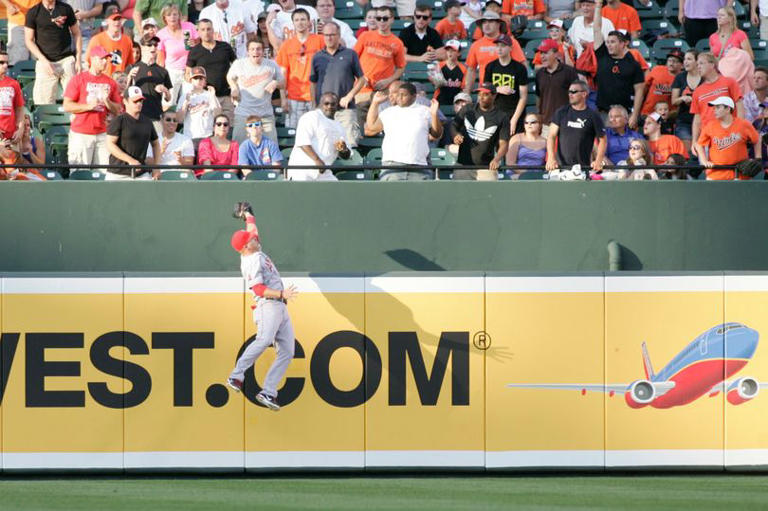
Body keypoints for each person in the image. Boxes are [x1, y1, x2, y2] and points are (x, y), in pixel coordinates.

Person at [226, 202, 299, 412]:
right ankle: (236, 375)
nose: (255, 238)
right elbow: (258, 289)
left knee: (287, 351)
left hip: (280, 307)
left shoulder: (253, 249)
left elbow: (252, 230)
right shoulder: (251, 262)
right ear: (246, 247)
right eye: (251, 240)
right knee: (264, 340)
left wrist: (248, 215)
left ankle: (268, 391)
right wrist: (281, 294)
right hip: (268, 304)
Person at [365, 82, 442, 180]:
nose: (400, 97)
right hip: (392, 165)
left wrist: (434, 115)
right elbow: (371, 126)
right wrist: (375, 103)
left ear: (414, 96)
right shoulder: (388, 112)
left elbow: (437, 134)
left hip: (419, 165)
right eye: (398, 94)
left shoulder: (425, 111)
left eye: (404, 95)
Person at [63, 46, 123, 169]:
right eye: (101, 58)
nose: (105, 61)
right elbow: (67, 105)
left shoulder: (110, 82)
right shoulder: (78, 79)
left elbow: (118, 109)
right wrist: (88, 106)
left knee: (103, 173)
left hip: (102, 133)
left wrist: (107, 101)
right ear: (92, 59)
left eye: (106, 59)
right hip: (81, 133)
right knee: (80, 173)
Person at [310, 22, 366, 147]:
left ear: (339, 35)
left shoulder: (350, 54)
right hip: (323, 110)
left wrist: (349, 96)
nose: (329, 38)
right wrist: (314, 104)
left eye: (332, 35)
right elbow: (313, 82)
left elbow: (362, 79)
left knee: (349, 146)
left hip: (345, 110)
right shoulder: (317, 57)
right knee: (323, 146)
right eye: (326, 35)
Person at [593, 1, 644, 128]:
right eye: (608, 42)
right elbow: (596, 29)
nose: (609, 45)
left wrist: (635, 115)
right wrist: (598, 6)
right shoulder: (602, 56)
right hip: (603, 113)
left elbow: (639, 90)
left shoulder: (633, 64)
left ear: (622, 44)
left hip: (624, 113)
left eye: (613, 42)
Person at [354, 6, 406, 127]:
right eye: (379, 18)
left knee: (381, 126)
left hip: (383, 91)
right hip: (362, 89)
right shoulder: (365, 36)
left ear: (392, 19)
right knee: (360, 127)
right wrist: (361, 77)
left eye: (385, 18)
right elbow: (353, 60)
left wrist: (388, 80)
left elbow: (401, 67)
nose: (382, 21)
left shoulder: (397, 42)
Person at [24, 0, 82, 105]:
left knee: (75, 99)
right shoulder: (33, 12)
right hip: (45, 61)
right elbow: (29, 40)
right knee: (42, 103)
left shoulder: (65, 8)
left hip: (66, 59)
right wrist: (44, 60)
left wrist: (78, 59)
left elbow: (77, 33)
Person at [276, 9, 325, 129]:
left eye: (303, 19)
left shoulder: (320, 40)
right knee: (294, 132)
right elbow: (282, 73)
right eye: (296, 20)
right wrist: (283, 98)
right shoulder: (286, 45)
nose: (300, 22)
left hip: (316, 95)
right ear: (293, 23)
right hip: (294, 97)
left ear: (309, 22)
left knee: (318, 130)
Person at [227, 39, 282, 143]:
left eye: (258, 49)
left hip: (265, 115)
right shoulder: (239, 64)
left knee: (271, 146)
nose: (255, 52)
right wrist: (234, 87)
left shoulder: (271, 65)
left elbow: (283, 82)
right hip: (244, 113)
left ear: (263, 51)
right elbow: (229, 77)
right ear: (248, 51)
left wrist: (276, 83)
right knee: (238, 147)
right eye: (252, 49)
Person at [545, 80, 607, 173]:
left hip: (583, 168)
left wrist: (598, 160)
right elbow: (551, 136)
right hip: (560, 167)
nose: (570, 94)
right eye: (569, 92)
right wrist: (551, 158)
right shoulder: (561, 112)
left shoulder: (593, 115)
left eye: (574, 92)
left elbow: (603, 140)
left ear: (584, 94)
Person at [450, 83, 509, 180]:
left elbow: (504, 143)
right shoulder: (468, 109)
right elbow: (454, 125)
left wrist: (497, 159)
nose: (481, 97)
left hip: (487, 167)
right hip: (463, 165)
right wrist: (455, 135)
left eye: (485, 94)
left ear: (494, 95)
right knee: (459, 190)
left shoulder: (501, 116)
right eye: (479, 94)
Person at [690, 52, 743, 159]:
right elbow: (697, 119)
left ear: (712, 65)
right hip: (708, 138)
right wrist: (694, 141)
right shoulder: (697, 91)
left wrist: (740, 128)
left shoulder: (729, 82)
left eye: (701, 63)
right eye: (697, 65)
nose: (698, 67)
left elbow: (739, 106)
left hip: (729, 136)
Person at [695, 96, 762, 180]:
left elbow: (757, 139)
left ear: (728, 109)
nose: (714, 110)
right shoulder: (710, 125)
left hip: (739, 174)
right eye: (714, 108)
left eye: (718, 107)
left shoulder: (743, 124)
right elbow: (699, 145)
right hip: (716, 173)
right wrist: (704, 161)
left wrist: (758, 158)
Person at [287, 92, 350, 180]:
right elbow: (302, 142)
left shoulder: (339, 127)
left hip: (324, 170)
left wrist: (344, 149)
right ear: (320, 104)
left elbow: (347, 156)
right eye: (326, 103)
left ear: (337, 105)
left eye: (333, 104)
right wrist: (317, 160)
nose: (329, 106)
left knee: (336, 188)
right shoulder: (311, 117)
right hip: (302, 168)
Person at [186, 18, 237, 124]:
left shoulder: (225, 47)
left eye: (208, 29)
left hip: (226, 96)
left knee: (228, 127)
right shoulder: (194, 51)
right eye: (203, 29)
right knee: (208, 127)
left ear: (213, 30)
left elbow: (236, 67)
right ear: (198, 32)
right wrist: (198, 86)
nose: (206, 32)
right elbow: (187, 74)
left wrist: (234, 87)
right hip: (205, 97)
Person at [106, 85, 161, 180]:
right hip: (117, 173)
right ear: (125, 101)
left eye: (141, 101)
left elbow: (156, 144)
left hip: (140, 173)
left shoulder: (147, 122)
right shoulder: (119, 120)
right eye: (135, 101)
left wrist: (156, 167)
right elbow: (110, 144)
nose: (139, 104)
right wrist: (130, 160)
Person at [464, 10, 526, 93]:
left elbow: (522, 66)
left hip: (508, 91)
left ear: (498, 24)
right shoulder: (476, 45)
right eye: (484, 22)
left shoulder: (511, 42)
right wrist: (467, 92)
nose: (487, 25)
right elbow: (471, 70)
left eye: (491, 21)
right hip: (486, 93)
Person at [126, 34, 172, 134]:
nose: (153, 47)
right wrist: (129, 77)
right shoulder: (132, 68)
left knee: (158, 143)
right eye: (149, 45)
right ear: (142, 47)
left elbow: (168, 98)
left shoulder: (162, 71)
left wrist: (165, 90)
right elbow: (124, 94)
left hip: (156, 116)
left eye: (155, 45)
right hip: (136, 117)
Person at [484, 33, 527, 134]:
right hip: (495, 113)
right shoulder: (490, 66)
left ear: (510, 48)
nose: (499, 49)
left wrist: (514, 119)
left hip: (514, 113)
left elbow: (523, 97)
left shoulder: (519, 68)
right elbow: (485, 90)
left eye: (503, 46)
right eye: (497, 46)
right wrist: (497, 89)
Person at [535, 38, 579, 137]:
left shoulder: (569, 72)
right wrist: (540, 117)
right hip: (546, 125)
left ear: (556, 54)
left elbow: (578, 97)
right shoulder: (539, 74)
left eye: (545, 53)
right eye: (541, 53)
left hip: (567, 123)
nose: (542, 56)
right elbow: (539, 98)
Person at [157, 4, 199, 103]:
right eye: (169, 15)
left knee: (190, 101)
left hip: (189, 69)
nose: (172, 17)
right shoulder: (161, 34)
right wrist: (161, 78)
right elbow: (160, 60)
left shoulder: (189, 26)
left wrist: (195, 42)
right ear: (164, 18)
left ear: (179, 15)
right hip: (172, 72)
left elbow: (200, 42)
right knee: (169, 102)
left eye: (175, 14)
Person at [177, 66, 220, 147]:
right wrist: (186, 102)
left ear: (205, 81)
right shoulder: (185, 96)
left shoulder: (210, 95)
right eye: (195, 78)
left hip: (207, 136)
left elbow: (218, 115)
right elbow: (179, 119)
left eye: (201, 78)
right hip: (189, 137)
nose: (198, 81)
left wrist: (213, 97)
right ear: (191, 80)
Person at [86, 7, 135, 76]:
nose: (117, 22)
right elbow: (88, 63)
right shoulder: (96, 39)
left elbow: (129, 63)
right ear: (107, 21)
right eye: (114, 19)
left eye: (119, 19)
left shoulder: (127, 40)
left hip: (120, 80)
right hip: (102, 79)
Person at [670, 49, 700, 153]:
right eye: (685, 59)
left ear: (697, 61)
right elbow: (673, 101)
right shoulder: (680, 77)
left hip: (701, 120)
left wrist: (695, 100)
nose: (685, 62)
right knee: (687, 153)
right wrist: (682, 98)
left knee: (699, 152)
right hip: (684, 120)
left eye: (689, 59)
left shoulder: (704, 77)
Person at [641, 49, 683, 116]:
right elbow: (643, 89)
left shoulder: (682, 78)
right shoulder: (657, 69)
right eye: (669, 60)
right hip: (647, 113)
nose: (671, 63)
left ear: (682, 65)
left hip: (667, 116)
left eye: (675, 61)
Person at [506, 112, 547, 178]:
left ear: (540, 124)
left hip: (538, 176)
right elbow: (510, 163)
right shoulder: (516, 138)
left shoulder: (546, 142)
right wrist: (527, 174)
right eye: (526, 122)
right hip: (517, 175)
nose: (529, 124)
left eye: (533, 122)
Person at [0, 51, 25, 142]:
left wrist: (20, 129)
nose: (5, 65)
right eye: (1, 62)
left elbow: (19, 109)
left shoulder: (14, 84)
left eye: (7, 62)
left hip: (11, 137)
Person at [433, 39, 466, 105]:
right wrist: (435, 80)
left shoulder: (463, 69)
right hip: (440, 100)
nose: (450, 52)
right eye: (448, 50)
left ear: (459, 53)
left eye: (453, 50)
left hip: (456, 101)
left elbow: (464, 89)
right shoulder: (439, 66)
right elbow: (435, 83)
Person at [5, 0, 37, 66]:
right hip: (17, 19)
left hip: (38, 21)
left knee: (38, 59)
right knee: (18, 58)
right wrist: (8, 4)